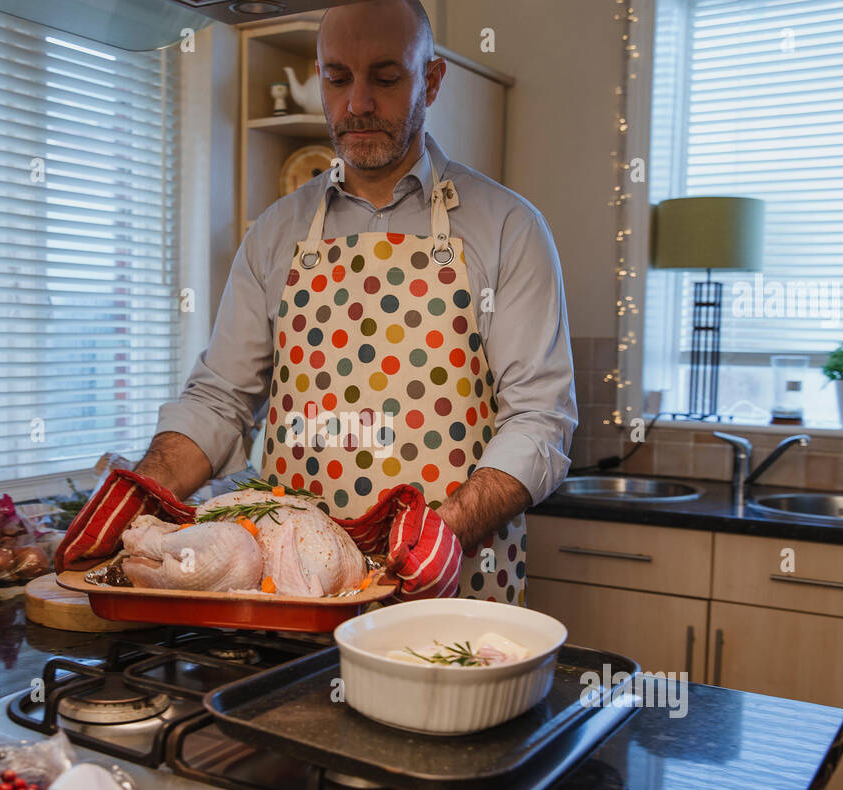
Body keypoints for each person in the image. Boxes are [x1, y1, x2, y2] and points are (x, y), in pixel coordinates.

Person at [68, 0, 576, 605]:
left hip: (450, 588)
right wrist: (139, 491)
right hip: (289, 593)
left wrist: (440, 535)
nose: (358, 103)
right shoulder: (276, 232)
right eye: (336, 78)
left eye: (386, 78)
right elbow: (220, 398)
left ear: (431, 82)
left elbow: (539, 419)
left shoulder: (507, 226)